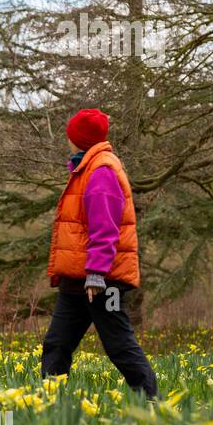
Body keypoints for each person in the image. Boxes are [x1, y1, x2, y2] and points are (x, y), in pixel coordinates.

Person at [42, 108, 157, 398]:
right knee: (56, 344)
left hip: (101, 282)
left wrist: (96, 274)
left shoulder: (101, 171)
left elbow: (106, 228)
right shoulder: (85, 168)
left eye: (71, 135)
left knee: (119, 344)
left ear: (81, 139)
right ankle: (48, 406)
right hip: (77, 280)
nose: (67, 140)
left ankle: (151, 402)